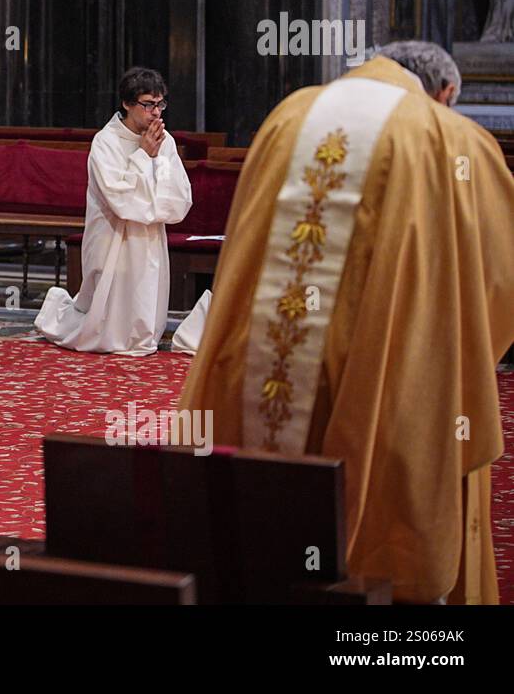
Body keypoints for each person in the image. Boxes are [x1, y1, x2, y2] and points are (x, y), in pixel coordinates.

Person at [179, 47, 514, 603]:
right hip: (389, 383)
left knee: (263, 534)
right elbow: (500, 280)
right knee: (385, 533)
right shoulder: (450, 138)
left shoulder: (288, 117)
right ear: (446, 94)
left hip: (259, 367)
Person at [35, 67, 193, 355]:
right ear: (127, 103)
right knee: (110, 305)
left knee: (143, 291)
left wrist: (154, 163)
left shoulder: (164, 141)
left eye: (160, 104)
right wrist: (144, 155)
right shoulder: (105, 142)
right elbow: (118, 198)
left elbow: (177, 194)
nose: (156, 113)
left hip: (147, 233)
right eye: (147, 104)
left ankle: (140, 337)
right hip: (111, 233)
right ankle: (96, 331)